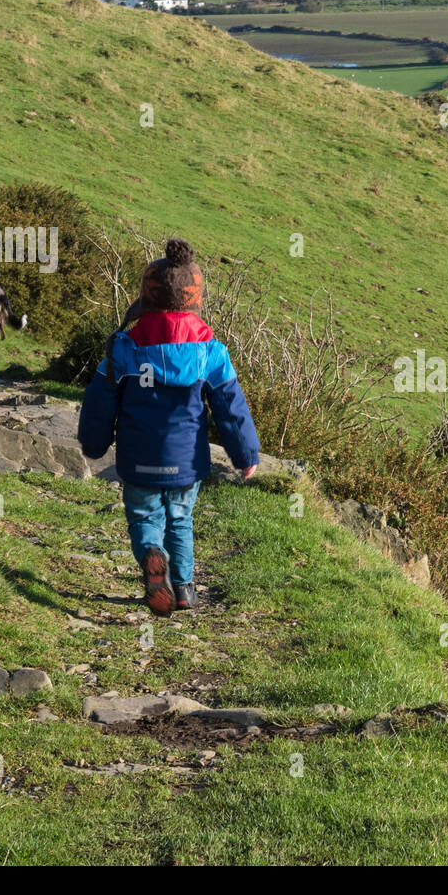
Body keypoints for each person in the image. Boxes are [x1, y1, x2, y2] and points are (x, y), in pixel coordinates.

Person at [78, 238, 259, 615]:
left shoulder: (123, 348)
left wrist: (94, 445)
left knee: (144, 516)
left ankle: (150, 555)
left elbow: (100, 400)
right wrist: (245, 454)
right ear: (194, 300)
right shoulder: (211, 353)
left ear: (147, 298)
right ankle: (184, 589)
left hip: (137, 459)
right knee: (181, 519)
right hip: (186, 463)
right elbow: (230, 407)